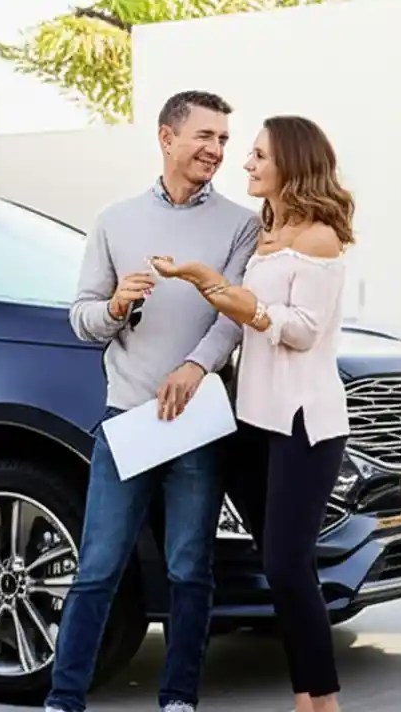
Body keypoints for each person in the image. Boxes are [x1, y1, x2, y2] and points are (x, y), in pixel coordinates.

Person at [45, 90, 261, 712]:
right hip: (127, 418)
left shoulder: (241, 223)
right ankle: (65, 698)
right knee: (97, 567)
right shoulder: (115, 219)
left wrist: (196, 366)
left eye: (223, 139)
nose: (216, 151)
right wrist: (115, 307)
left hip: (197, 422)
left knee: (190, 568)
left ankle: (178, 698)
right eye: (205, 137)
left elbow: (235, 314)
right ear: (167, 139)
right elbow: (81, 316)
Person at [148, 114, 354, 712]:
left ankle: (324, 702)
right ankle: (305, 695)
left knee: (289, 568)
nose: (247, 163)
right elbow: (237, 305)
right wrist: (201, 280)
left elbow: (305, 333)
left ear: (291, 161)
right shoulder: (267, 228)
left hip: (303, 424)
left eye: (259, 155)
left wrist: (246, 305)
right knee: (280, 569)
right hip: (255, 422)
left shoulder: (319, 237)